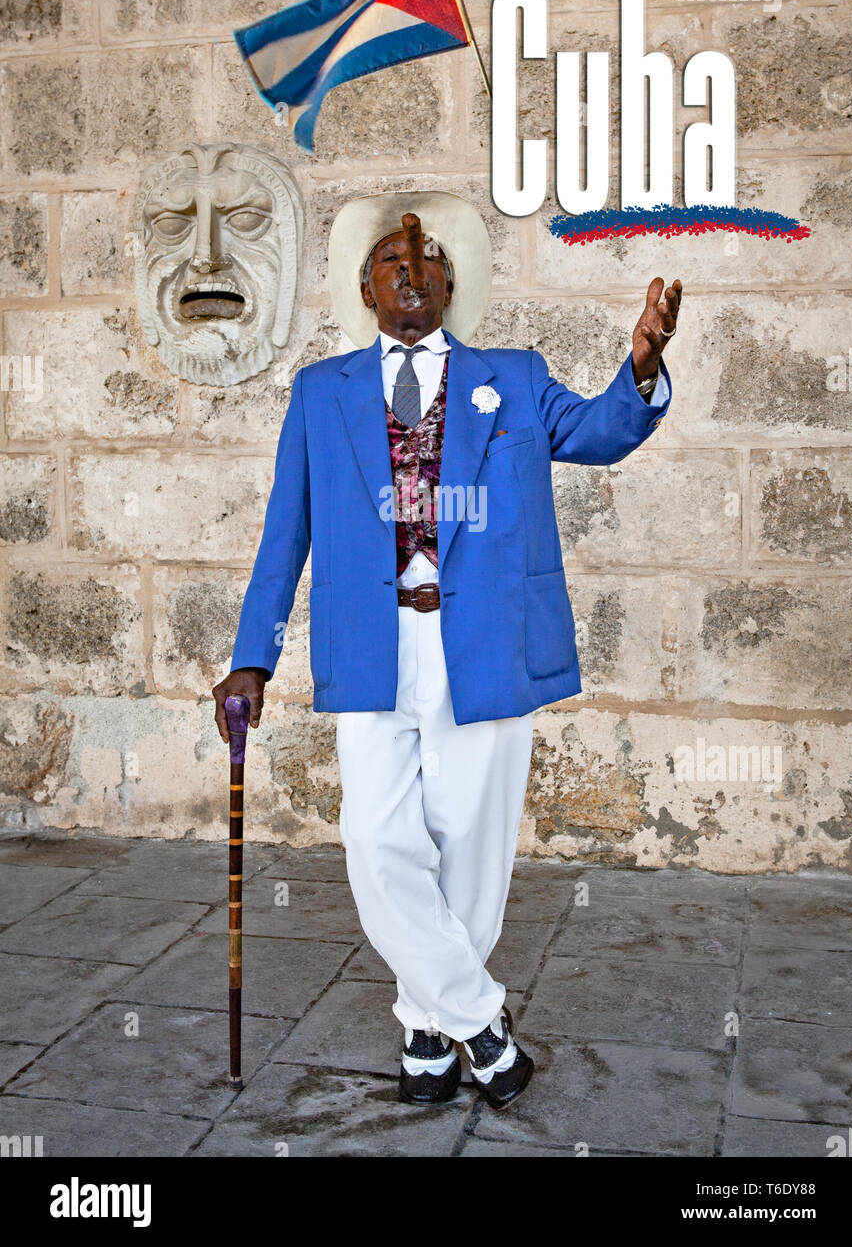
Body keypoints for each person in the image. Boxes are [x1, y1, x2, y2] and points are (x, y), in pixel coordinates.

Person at [213, 190, 681, 1110]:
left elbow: (596, 432)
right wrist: (253, 655)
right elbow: (285, 536)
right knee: (376, 842)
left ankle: (428, 1030)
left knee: (470, 843)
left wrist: (640, 368)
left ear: (450, 284)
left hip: (483, 641)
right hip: (371, 644)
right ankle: (481, 1024)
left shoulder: (511, 375)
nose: (412, 273)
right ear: (367, 288)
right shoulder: (321, 393)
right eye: (393, 262)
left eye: (427, 264)